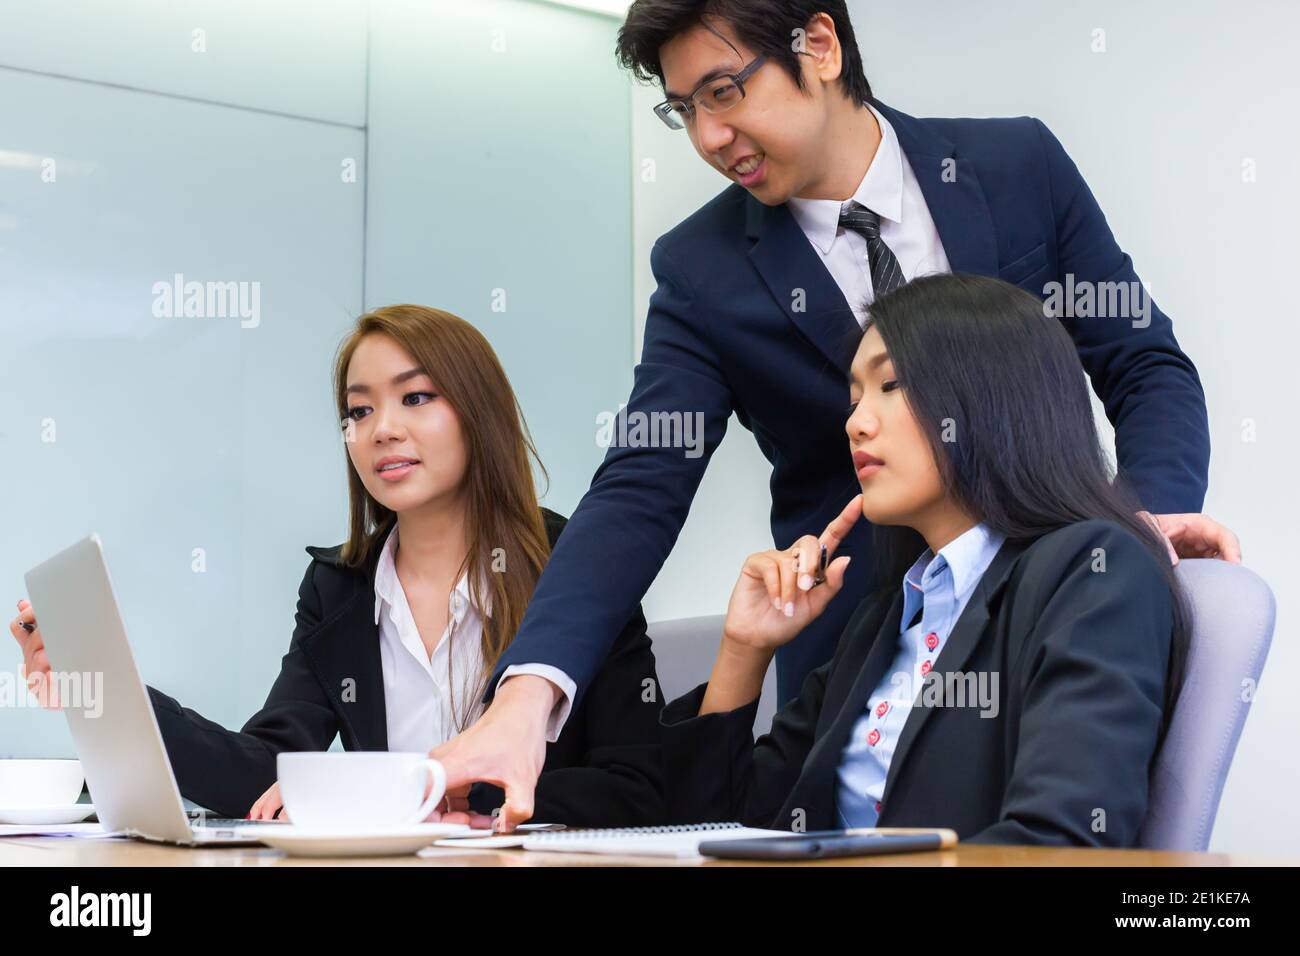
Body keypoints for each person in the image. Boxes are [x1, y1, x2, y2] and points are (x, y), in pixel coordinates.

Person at [434, 0, 1239, 830]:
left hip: (1047, 622)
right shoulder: (702, 270)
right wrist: (526, 698)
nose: (708, 138)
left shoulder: (1015, 166)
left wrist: (1133, 530)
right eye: (684, 111)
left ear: (818, 46)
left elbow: (1144, 364)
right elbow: (639, 485)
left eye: (723, 91)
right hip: (864, 641)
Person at [11, 305, 665, 828]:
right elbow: (265, 772)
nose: (380, 429)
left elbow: (636, 789)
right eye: (358, 410)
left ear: (478, 415)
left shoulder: (577, 567)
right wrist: (106, 689)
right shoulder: (339, 587)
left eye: (415, 398)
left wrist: (434, 797)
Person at [661, 273, 1198, 844]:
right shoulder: (887, 616)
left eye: (890, 384)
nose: (855, 423)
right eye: (853, 400)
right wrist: (746, 649)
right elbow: (719, 828)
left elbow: (1059, 843)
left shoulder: (1091, 571)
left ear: (994, 392)